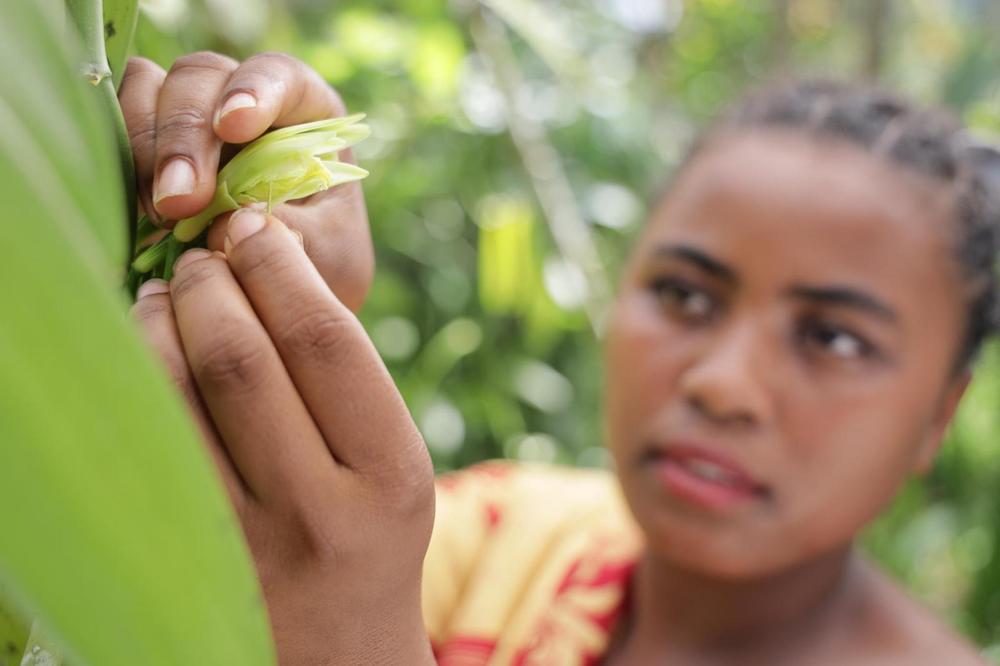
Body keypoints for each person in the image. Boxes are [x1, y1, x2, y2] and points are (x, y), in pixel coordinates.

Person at [123, 51, 998, 665]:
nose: (723, 383)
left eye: (835, 339)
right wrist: (209, 252)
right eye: (687, 295)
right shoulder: (507, 542)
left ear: (936, 418)